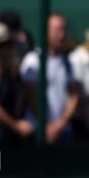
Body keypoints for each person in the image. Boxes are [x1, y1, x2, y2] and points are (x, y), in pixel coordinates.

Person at [20, 13, 80, 144]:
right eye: (58, 30)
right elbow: (31, 96)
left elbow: (74, 94)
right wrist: (47, 126)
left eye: (64, 30)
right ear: (45, 31)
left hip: (64, 131)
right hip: (38, 131)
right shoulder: (32, 60)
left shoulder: (68, 62)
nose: (62, 35)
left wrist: (60, 124)